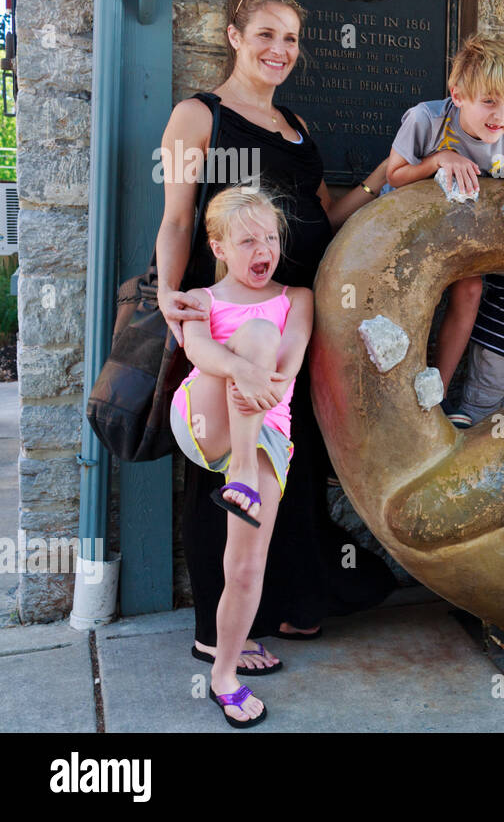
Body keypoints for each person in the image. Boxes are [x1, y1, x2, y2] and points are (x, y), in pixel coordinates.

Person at [156, 0, 394, 671]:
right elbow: (177, 219)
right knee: (224, 473)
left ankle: (288, 600)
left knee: (288, 464)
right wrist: (173, 298)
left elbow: (328, 211)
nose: (278, 49)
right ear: (234, 36)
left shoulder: (297, 126)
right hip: (228, 324)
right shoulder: (196, 118)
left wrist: (388, 177)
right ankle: (215, 629)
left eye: (290, 38)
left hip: (298, 321)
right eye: (265, 34)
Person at [169, 189, 311, 726]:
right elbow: (199, 352)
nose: (264, 248)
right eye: (248, 238)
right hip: (205, 421)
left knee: (246, 566)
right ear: (219, 246)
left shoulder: (297, 295)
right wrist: (245, 369)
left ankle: (223, 675)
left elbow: (292, 353)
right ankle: (243, 470)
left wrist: (266, 379)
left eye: (270, 237)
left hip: (268, 428)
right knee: (252, 333)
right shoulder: (201, 297)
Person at [386, 34, 504, 415]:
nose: (501, 116)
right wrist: (439, 159)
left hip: (459, 241)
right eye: (489, 102)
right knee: (408, 299)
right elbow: (394, 175)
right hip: (408, 235)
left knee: (471, 289)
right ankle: (396, 388)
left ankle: (438, 391)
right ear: (458, 95)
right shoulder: (426, 119)